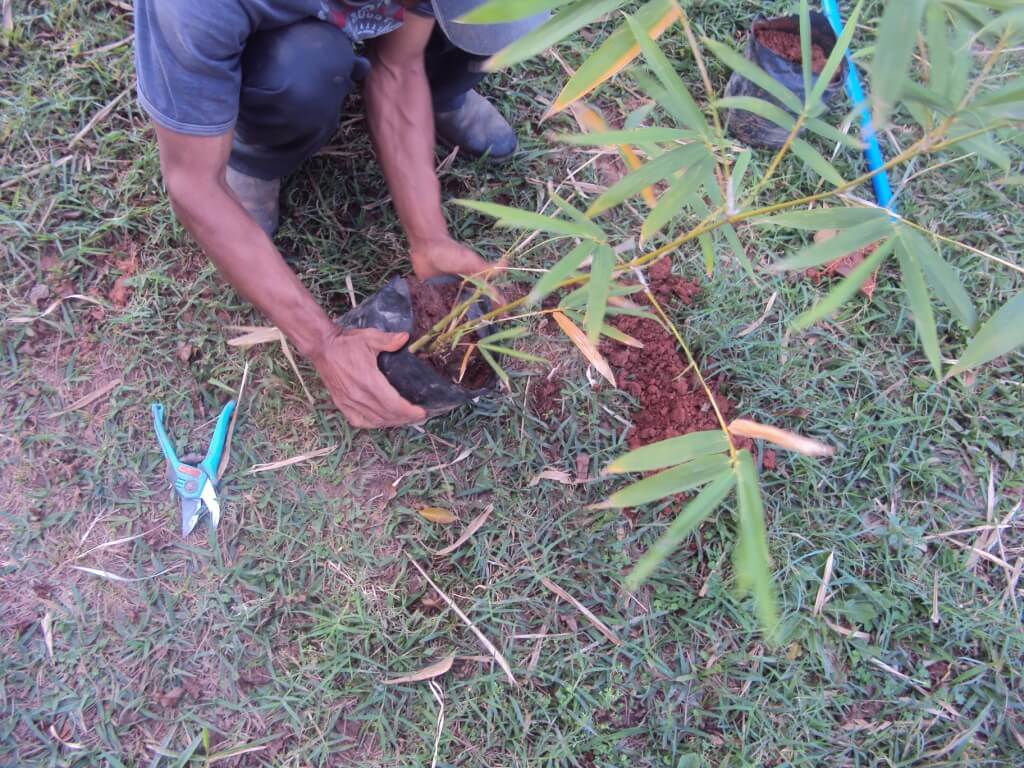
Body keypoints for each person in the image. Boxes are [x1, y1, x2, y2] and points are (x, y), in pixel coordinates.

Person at [133, 1, 543, 427]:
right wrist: (323, 342)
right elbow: (192, 184)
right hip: (289, 46)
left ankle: (444, 91)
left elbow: (400, 66)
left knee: (495, 19)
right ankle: (257, 151)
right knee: (305, 68)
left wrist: (429, 237)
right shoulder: (194, 10)